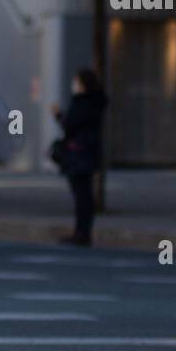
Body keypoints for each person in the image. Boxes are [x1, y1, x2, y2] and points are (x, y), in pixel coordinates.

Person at [50, 69, 107, 247]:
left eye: (76, 82)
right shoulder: (96, 102)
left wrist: (58, 115)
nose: (74, 85)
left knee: (81, 195)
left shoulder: (83, 103)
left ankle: (81, 233)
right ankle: (82, 231)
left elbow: (70, 124)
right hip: (87, 152)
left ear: (83, 84)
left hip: (79, 153)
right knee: (84, 195)